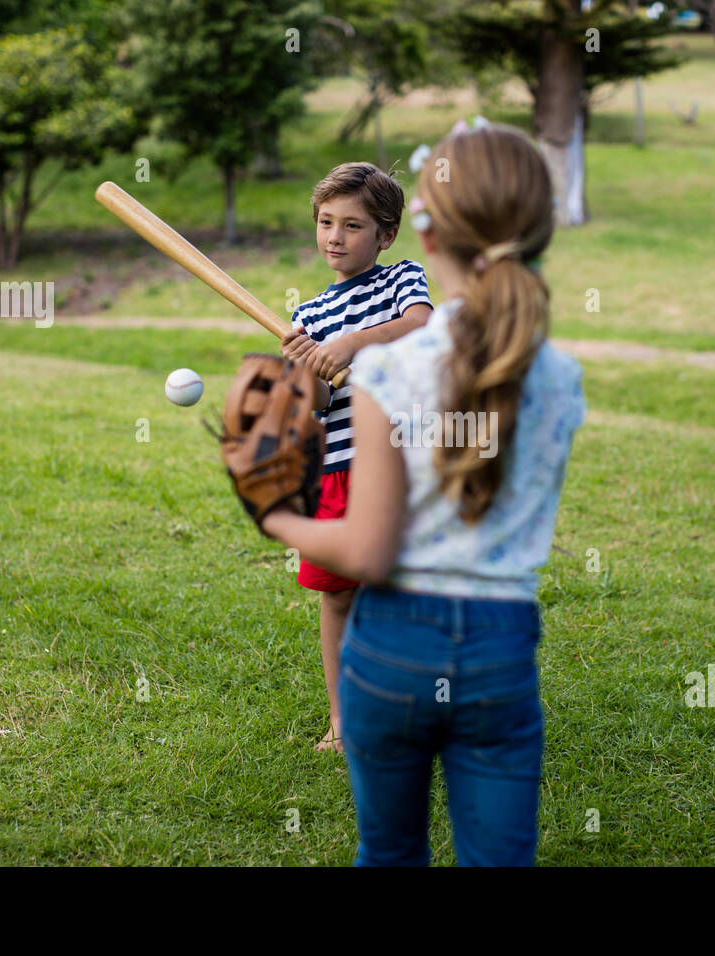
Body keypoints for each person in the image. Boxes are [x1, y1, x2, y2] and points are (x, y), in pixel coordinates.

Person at [262, 124, 586, 865]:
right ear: (539, 233)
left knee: (390, 854)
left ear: (424, 235)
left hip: (396, 652)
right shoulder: (561, 380)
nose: (335, 235)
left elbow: (366, 551)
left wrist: (276, 514)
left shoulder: (389, 372)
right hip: (503, 654)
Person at [280, 162, 433, 753]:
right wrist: (304, 368)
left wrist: (347, 344)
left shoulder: (401, 281)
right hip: (339, 471)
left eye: (351, 224)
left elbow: (420, 326)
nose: (334, 237)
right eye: (324, 222)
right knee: (338, 594)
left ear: (385, 235)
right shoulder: (309, 318)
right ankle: (344, 721)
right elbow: (317, 401)